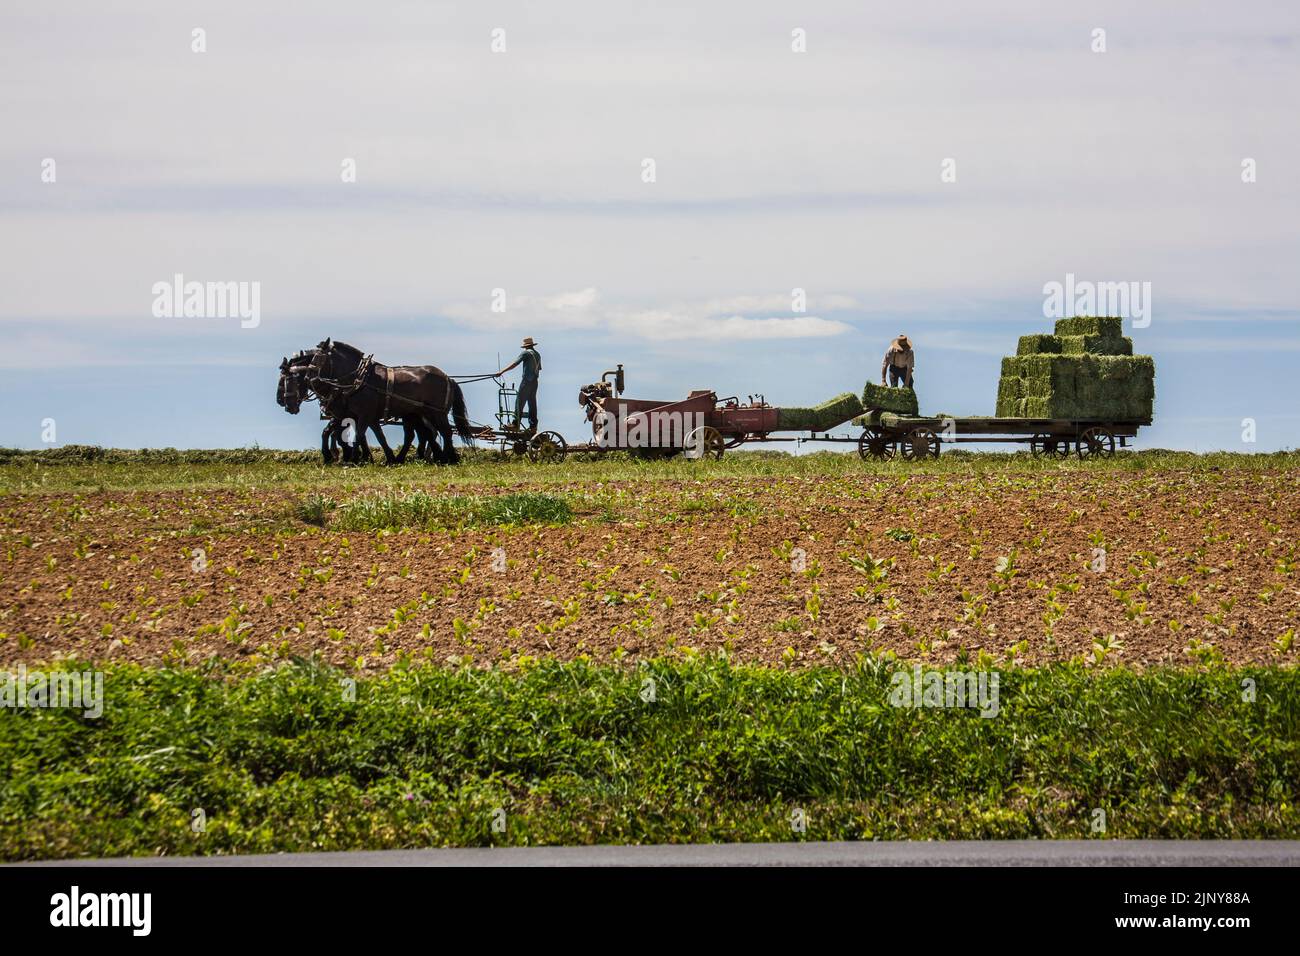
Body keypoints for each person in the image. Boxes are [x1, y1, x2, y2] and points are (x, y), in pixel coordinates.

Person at [497, 336, 543, 433]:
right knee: (532, 403)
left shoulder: (526, 353)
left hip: (526, 381)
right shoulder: (538, 355)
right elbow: (539, 369)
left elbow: (515, 363)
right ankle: (533, 427)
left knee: (519, 402)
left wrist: (502, 371)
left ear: (526, 346)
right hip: (535, 382)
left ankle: (515, 424)